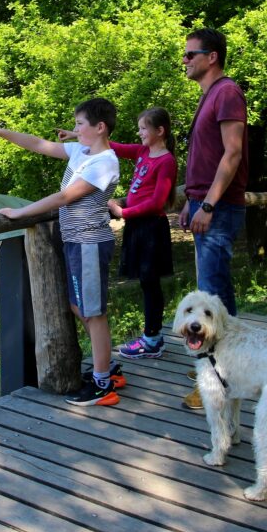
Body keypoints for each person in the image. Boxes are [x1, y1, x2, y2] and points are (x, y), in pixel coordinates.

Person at [0, 97, 122, 407]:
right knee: (81, 307)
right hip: (78, 244)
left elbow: (64, 197)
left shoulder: (104, 162)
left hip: (89, 244)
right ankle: (104, 369)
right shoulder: (82, 152)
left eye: (80, 124)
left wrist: (21, 212)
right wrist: (0, 132)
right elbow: (38, 144)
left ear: (100, 127)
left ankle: (102, 383)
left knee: (93, 313)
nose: (74, 129)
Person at [61, 108, 178, 358]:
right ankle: (152, 336)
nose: (140, 132)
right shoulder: (143, 151)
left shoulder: (166, 161)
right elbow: (111, 145)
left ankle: (153, 338)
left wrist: (124, 212)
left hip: (151, 229)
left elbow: (158, 203)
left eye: (144, 128)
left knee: (150, 282)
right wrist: (76, 134)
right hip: (138, 226)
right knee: (145, 282)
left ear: (160, 131)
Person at [179, 28, 249, 409]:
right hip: (207, 205)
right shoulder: (210, 96)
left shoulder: (226, 92)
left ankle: (219, 381)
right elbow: (205, 161)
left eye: (191, 54)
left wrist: (207, 205)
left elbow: (232, 153)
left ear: (213, 57)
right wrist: (193, 200)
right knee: (215, 294)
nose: (185, 61)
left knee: (212, 299)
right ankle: (223, 368)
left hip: (218, 210)